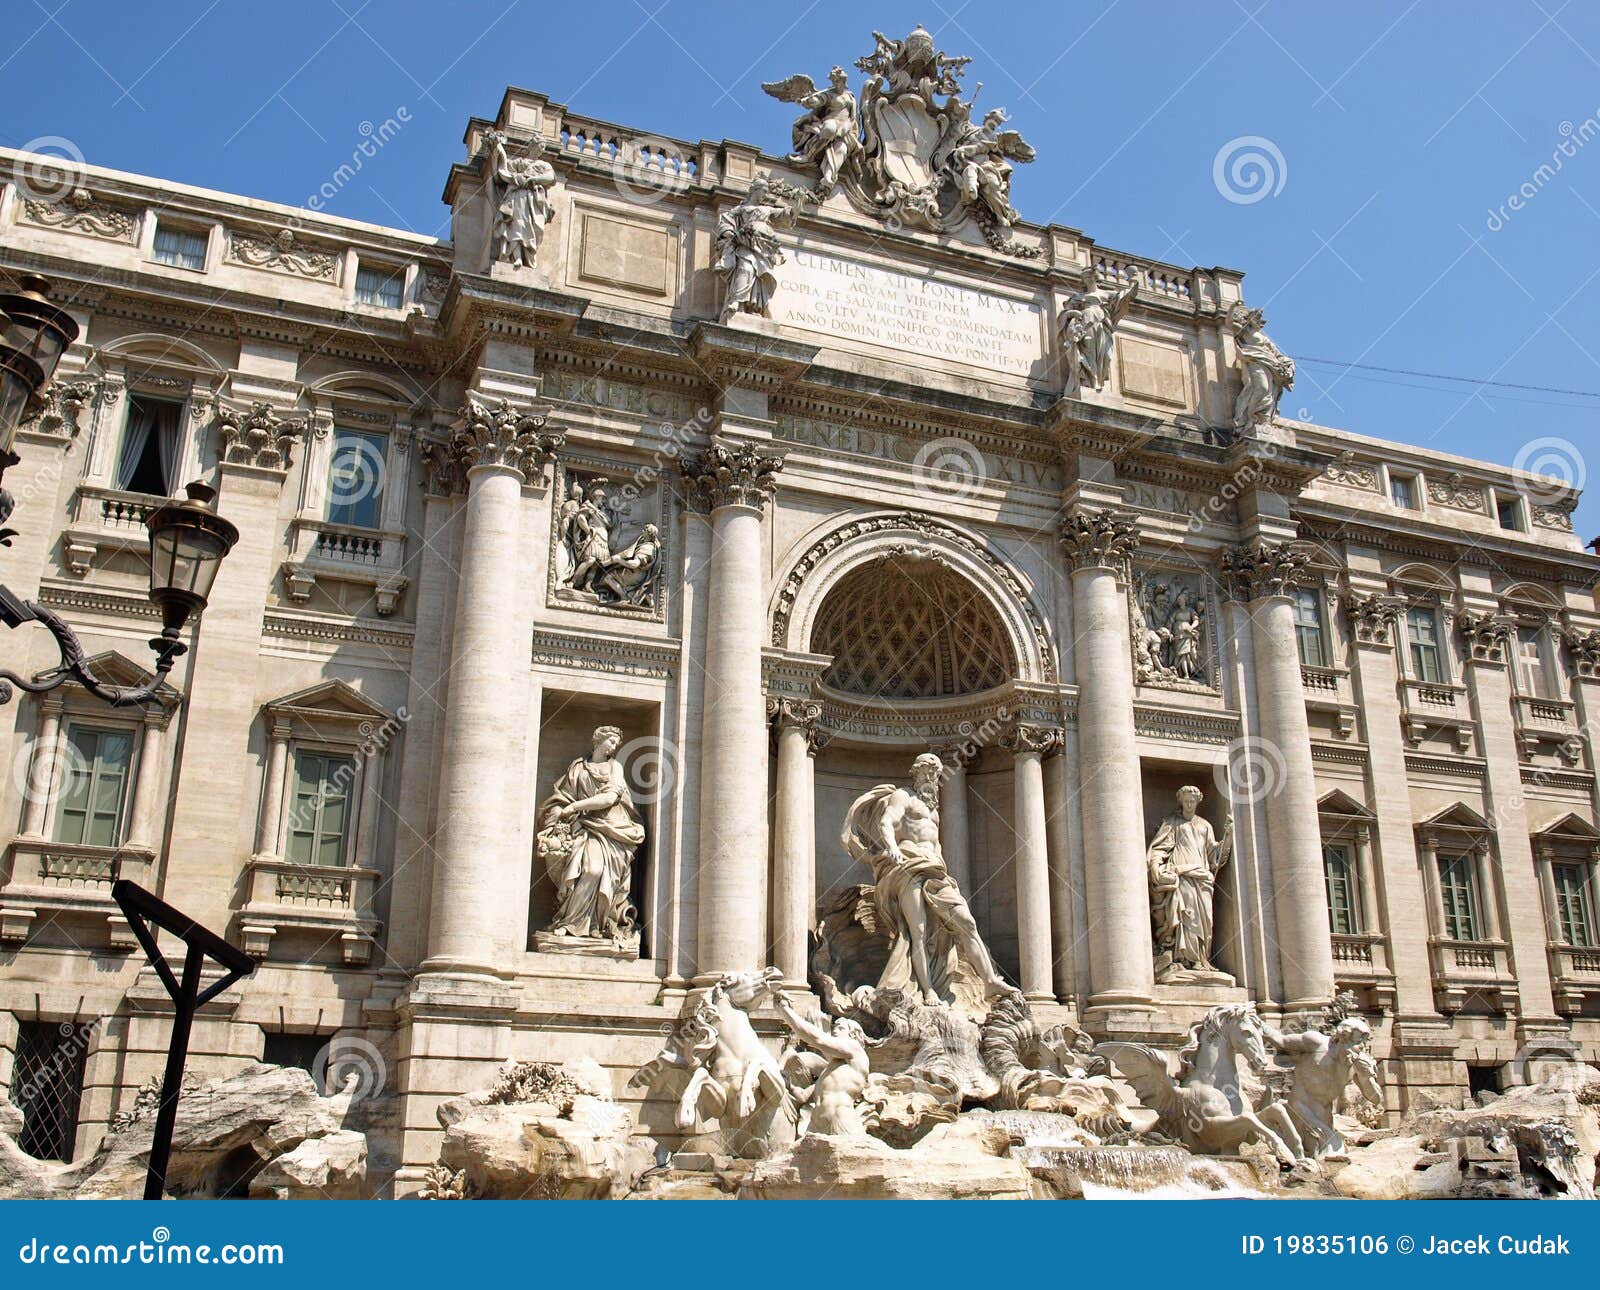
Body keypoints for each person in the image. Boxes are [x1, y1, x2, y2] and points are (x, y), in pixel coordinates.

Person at [841, 752, 1009, 1005]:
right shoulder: (903, 796)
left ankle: (990, 981)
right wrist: (893, 848)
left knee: (966, 922)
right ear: (916, 772)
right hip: (907, 865)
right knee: (917, 931)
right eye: (928, 772)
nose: (932, 777)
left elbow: (936, 843)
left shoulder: (933, 809)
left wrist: (942, 865)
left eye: (936, 773)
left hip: (935, 870)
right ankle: (927, 989)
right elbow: (887, 822)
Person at [537, 726, 645, 941]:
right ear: (598, 740)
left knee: (595, 871)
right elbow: (563, 797)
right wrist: (560, 811)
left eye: (616, 744)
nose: (613, 746)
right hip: (585, 826)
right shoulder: (578, 767)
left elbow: (609, 798)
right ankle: (571, 923)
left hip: (613, 829)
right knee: (587, 870)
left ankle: (597, 924)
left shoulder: (615, 768)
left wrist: (574, 807)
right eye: (611, 741)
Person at [1147, 786, 1232, 979]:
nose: (1189, 803)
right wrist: (1155, 866)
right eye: (1186, 800)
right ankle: (1185, 959)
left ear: (1198, 801)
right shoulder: (1172, 823)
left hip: (1202, 877)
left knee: (1205, 920)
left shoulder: (1205, 825)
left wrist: (1228, 837)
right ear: (1181, 801)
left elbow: (1215, 856)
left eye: (1192, 800)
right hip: (1182, 874)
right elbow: (1161, 848)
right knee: (1187, 917)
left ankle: (1202, 958)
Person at [774, 990, 870, 1137]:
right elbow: (803, 1097)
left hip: (840, 1119)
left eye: (840, 1027)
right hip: (816, 1126)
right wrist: (790, 1086)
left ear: (853, 1034)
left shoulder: (855, 1050)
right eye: (834, 1027)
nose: (835, 1030)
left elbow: (818, 1039)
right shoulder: (831, 1071)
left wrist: (785, 1011)